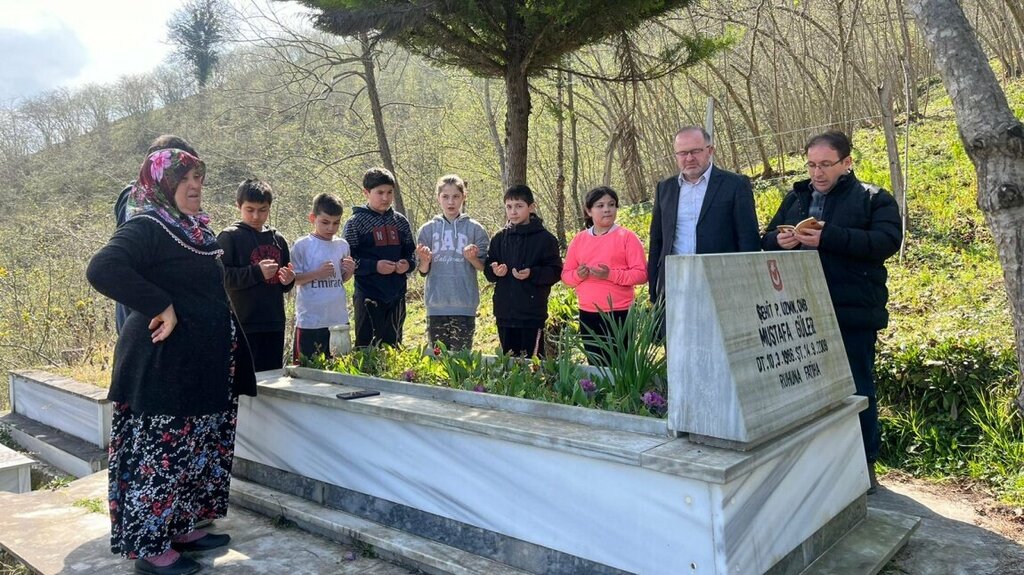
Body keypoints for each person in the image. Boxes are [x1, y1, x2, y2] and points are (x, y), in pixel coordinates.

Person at [87, 148, 257, 575]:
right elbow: (103, 268)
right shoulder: (148, 225)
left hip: (200, 367)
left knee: (192, 454)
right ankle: (150, 547)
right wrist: (160, 304)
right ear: (162, 183)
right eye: (184, 178)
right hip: (163, 369)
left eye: (198, 177)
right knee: (161, 456)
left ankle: (179, 527)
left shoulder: (193, 228)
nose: (195, 185)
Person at [761, 130, 902, 493]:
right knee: (807, 392)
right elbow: (765, 239)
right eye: (811, 165)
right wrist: (779, 241)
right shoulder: (796, 197)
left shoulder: (873, 198)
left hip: (852, 310)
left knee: (858, 387)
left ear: (847, 162)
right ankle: (820, 465)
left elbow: (887, 241)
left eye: (825, 164)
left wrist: (830, 237)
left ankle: (864, 465)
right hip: (800, 313)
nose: (817, 173)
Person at [647, 126, 760, 302]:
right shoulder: (665, 188)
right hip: (675, 284)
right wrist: (654, 287)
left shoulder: (735, 184)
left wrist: (747, 283)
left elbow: (748, 238)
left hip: (723, 283)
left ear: (710, 150)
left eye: (695, 151)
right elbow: (657, 240)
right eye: (682, 153)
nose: (689, 158)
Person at [113, 134, 198, 335]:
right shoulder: (137, 200)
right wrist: (159, 304)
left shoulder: (172, 203)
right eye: (182, 175)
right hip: (149, 324)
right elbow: (109, 266)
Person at [561, 186, 648, 363]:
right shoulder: (579, 240)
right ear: (589, 211)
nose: (607, 209)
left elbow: (641, 274)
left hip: (620, 313)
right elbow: (566, 276)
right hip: (588, 312)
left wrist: (610, 275)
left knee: (622, 364)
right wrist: (578, 275)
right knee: (596, 365)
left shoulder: (627, 237)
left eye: (611, 204)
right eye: (600, 206)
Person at [217, 179, 295, 371]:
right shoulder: (229, 237)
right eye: (250, 209)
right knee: (245, 380)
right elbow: (221, 278)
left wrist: (288, 280)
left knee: (272, 379)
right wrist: (256, 272)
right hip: (242, 323)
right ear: (238, 206)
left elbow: (283, 284)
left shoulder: (278, 239)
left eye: (262, 210)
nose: (256, 216)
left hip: (274, 322)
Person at [483, 185, 563, 358]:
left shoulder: (546, 239)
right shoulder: (499, 238)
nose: (513, 211)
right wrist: (495, 271)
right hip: (504, 313)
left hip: (532, 315)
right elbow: (488, 269)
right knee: (509, 363)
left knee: (533, 363)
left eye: (519, 206)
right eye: (509, 207)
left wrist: (532, 273)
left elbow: (555, 271)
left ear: (531, 207)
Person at [415, 174, 490, 352]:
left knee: (461, 359)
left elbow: (484, 268)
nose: (451, 202)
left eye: (456, 196)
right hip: (436, 305)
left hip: (464, 305)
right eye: (445, 196)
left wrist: (472, 258)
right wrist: (425, 260)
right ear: (438, 198)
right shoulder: (427, 230)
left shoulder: (475, 229)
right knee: (438, 359)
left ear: (464, 197)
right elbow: (422, 271)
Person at [343, 167, 416, 347]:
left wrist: (408, 264)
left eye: (390, 192)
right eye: (380, 193)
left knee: (394, 345)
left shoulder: (401, 221)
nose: (385, 197)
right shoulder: (355, 223)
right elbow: (348, 261)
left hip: (397, 293)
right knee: (366, 346)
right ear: (366, 193)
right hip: (368, 294)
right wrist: (375, 266)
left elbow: (411, 252)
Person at [291, 193, 355, 361]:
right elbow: (293, 279)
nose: (331, 228)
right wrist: (317, 274)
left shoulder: (342, 245)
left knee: (339, 366)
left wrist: (349, 271)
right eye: (325, 222)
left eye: (336, 223)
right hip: (311, 321)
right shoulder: (302, 245)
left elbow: (341, 279)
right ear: (313, 218)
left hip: (338, 319)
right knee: (307, 370)